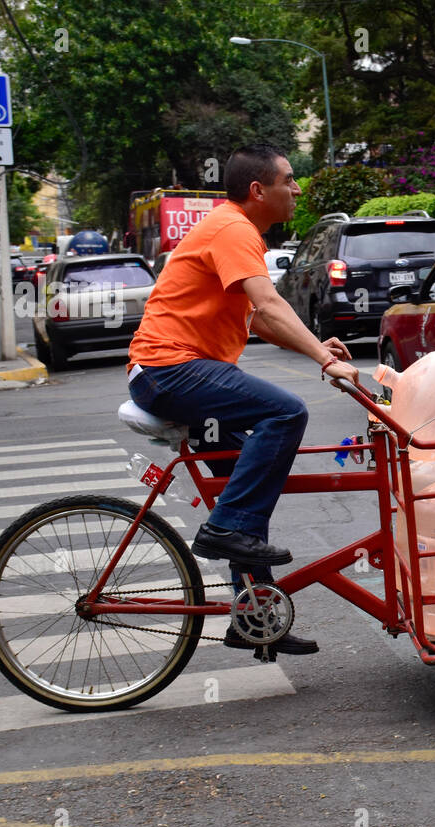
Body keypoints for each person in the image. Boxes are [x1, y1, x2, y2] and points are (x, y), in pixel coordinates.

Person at [126, 144, 358, 657]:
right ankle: (225, 530)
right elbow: (270, 303)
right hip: (169, 369)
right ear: (259, 190)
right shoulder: (234, 228)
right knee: (285, 411)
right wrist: (327, 362)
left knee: (244, 489)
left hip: (171, 371)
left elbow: (258, 317)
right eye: (289, 180)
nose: (297, 189)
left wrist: (320, 348)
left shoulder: (233, 229)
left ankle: (253, 618)